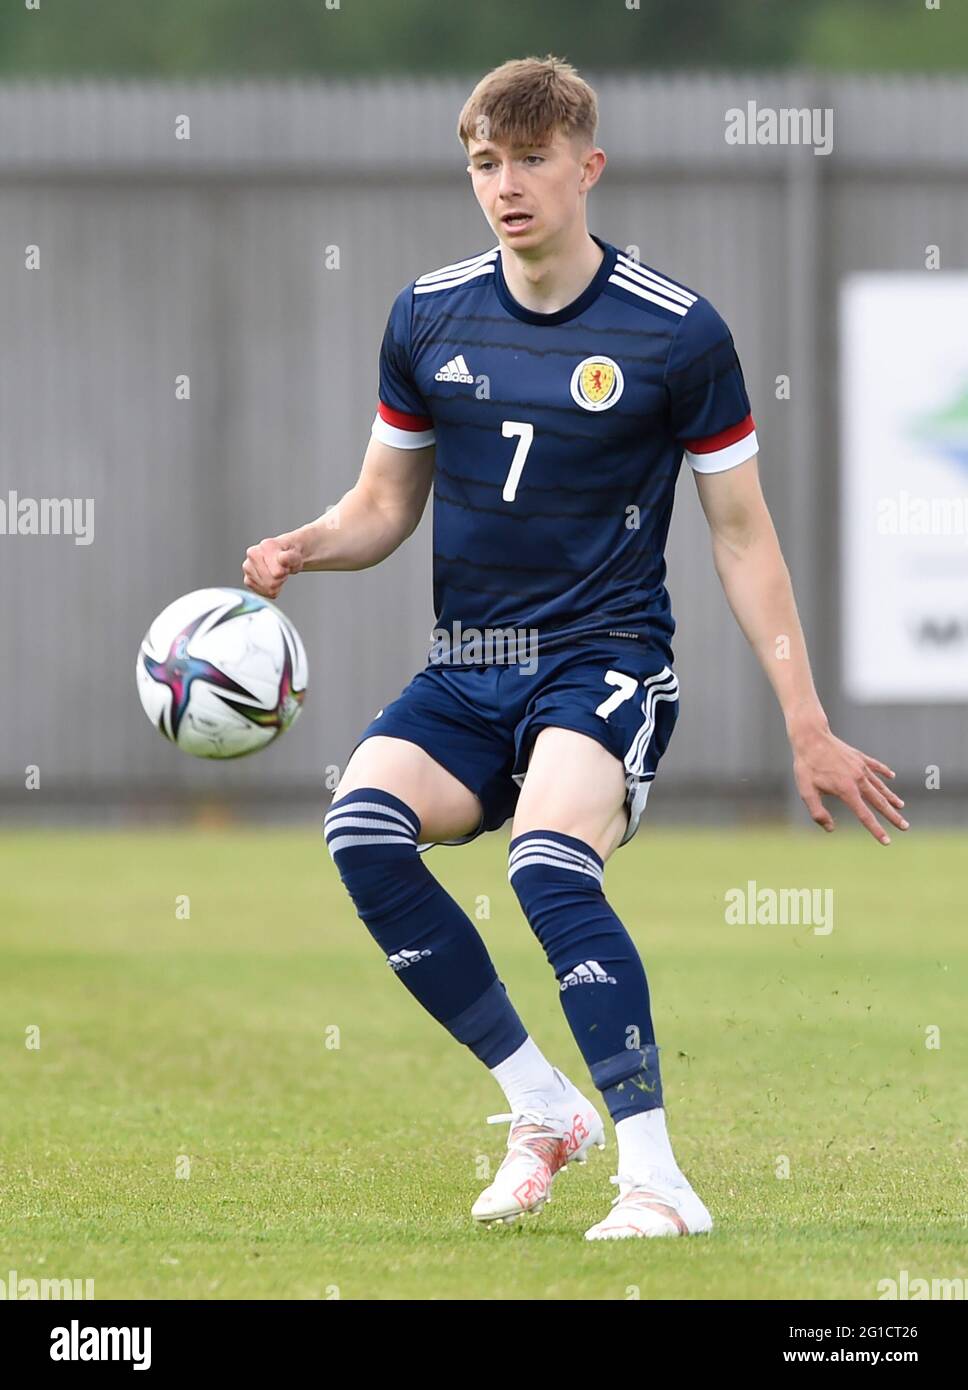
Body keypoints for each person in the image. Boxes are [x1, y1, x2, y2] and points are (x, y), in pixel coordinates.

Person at [242, 55, 907, 1240]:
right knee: (360, 829)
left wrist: (804, 722)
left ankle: (656, 1178)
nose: (507, 184)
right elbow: (383, 507)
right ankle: (539, 1106)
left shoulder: (674, 335)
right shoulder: (426, 314)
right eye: (485, 162)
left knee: (545, 866)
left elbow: (743, 538)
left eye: (532, 160)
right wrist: (305, 544)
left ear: (586, 168)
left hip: (603, 659)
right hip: (466, 662)